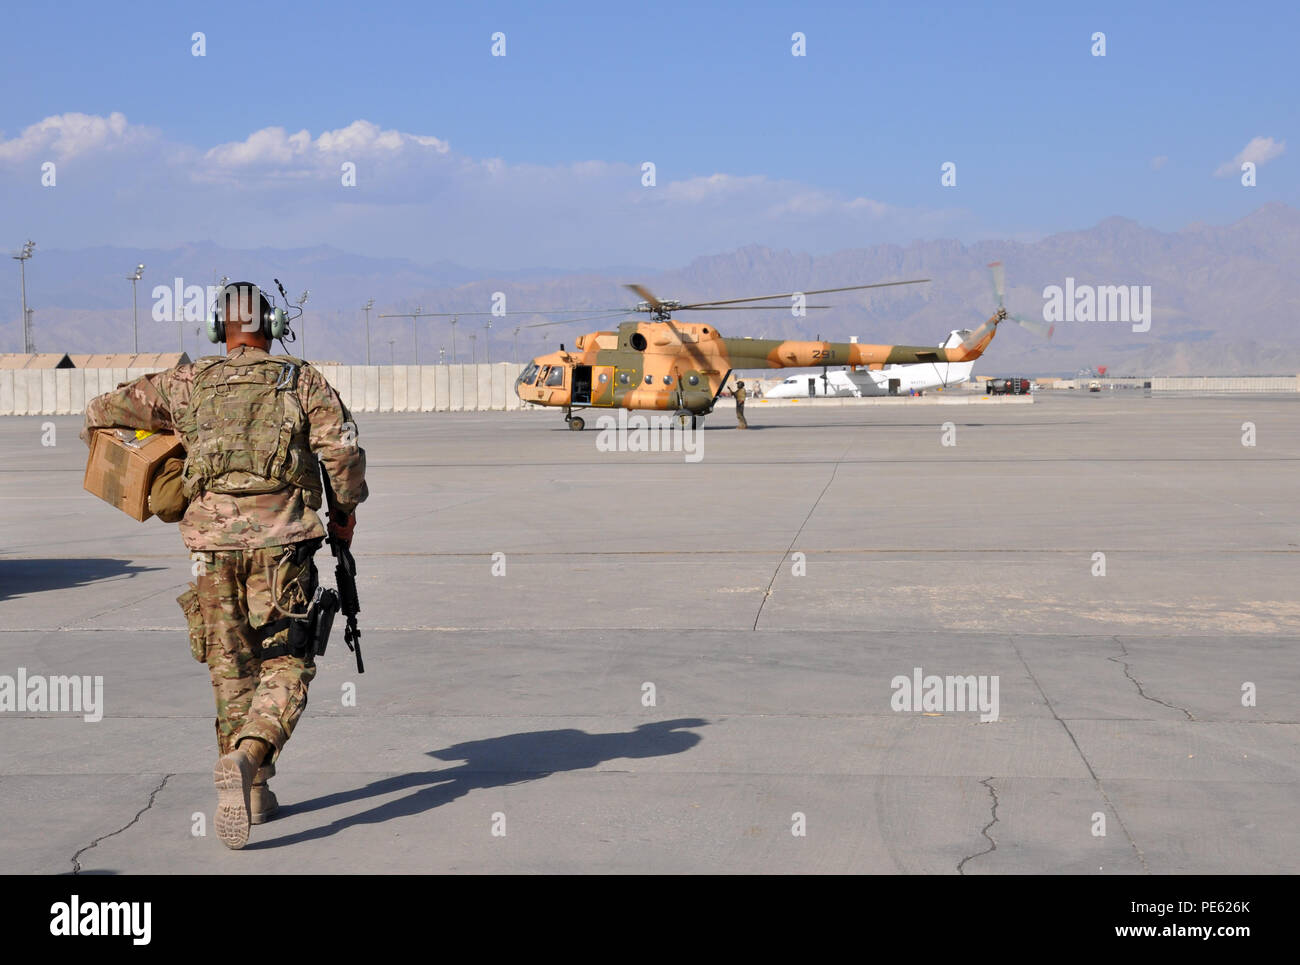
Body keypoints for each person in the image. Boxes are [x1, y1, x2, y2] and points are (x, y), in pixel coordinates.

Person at [81, 281, 368, 849]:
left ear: (219, 330)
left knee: (230, 667)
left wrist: (162, 456)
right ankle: (250, 754)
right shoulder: (302, 379)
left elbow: (101, 411)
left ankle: (253, 793)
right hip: (281, 546)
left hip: (209, 551)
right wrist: (344, 515)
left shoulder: (188, 382)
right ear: (274, 325)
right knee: (288, 661)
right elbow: (343, 454)